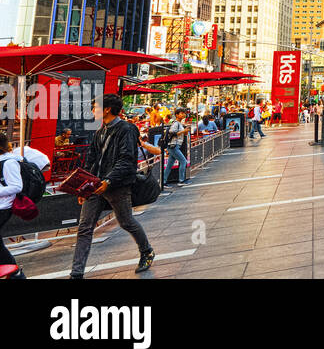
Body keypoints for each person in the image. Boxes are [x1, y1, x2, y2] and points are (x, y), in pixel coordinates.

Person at [69, 94, 155, 278]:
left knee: (126, 221)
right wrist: (83, 186)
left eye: (95, 107)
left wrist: (108, 181)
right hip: (94, 186)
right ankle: (76, 274)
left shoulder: (127, 129)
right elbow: (91, 160)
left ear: (107, 109)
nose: (92, 110)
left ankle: (146, 250)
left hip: (116, 186)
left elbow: (127, 160)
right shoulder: (100, 132)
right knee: (85, 227)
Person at [0, 132, 52, 279]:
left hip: (4, 206)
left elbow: (17, 186)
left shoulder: (9, 162)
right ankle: (13, 272)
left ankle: (14, 272)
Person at [163, 110, 190, 186]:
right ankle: (181, 180)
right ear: (177, 115)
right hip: (173, 146)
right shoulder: (176, 124)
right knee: (183, 161)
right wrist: (183, 131)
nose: (183, 114)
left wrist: (185, 131)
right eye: (181, 113)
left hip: (175, 146)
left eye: (183, 113)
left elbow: (182, 134)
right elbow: (172, 132)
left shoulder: (180, 124)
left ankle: (163, 181)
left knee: (169, 165)